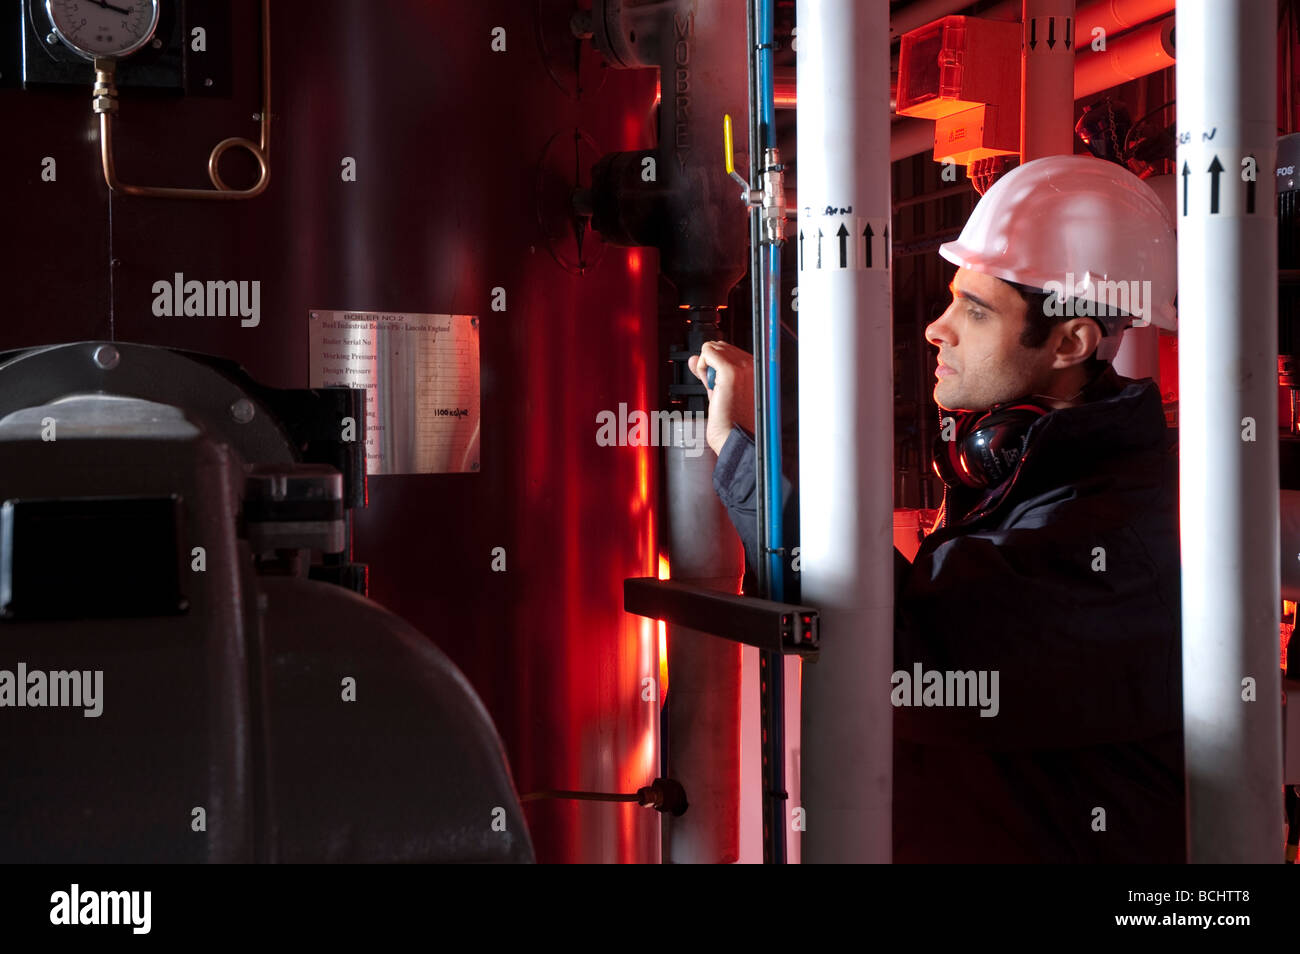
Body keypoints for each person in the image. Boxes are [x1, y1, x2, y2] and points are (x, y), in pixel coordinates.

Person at [689, 155, 1185, 862]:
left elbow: (900, 655)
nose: (936, 328)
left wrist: (747, 456)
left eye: (974, 310)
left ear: (1070, 342)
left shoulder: (1109, 539)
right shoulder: (1031, 484)